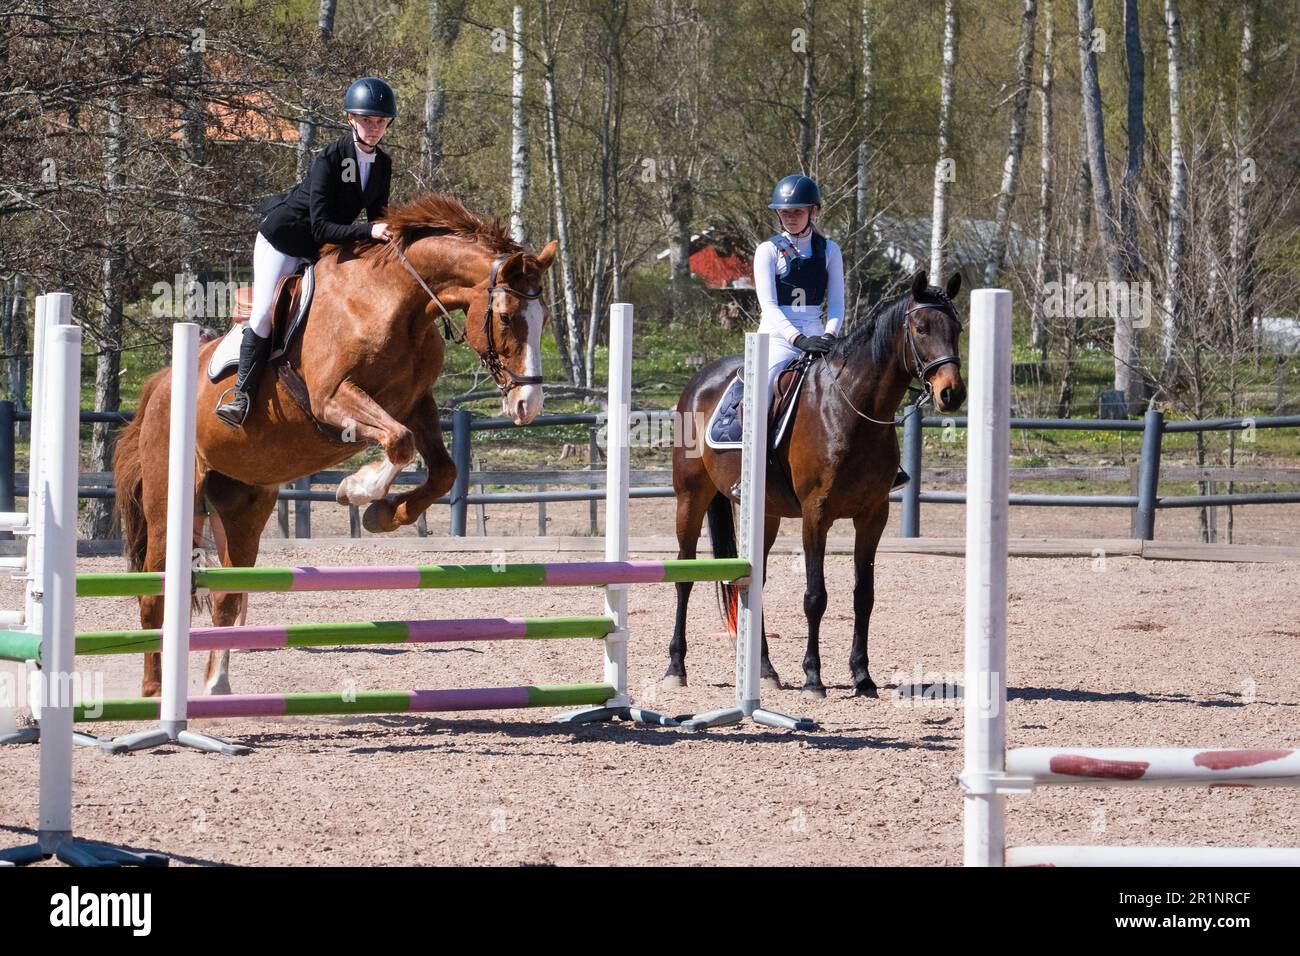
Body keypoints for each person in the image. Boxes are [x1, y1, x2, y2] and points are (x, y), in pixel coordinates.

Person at [215, 76, 397, 427]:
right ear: (350, 119)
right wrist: (369, 231)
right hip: (284, 240)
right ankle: (240, 396)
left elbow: (379, 217)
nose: (373, 128)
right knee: (266, 312)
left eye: (380, 121)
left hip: (320, 249)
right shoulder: (329, 159)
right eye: (366, 120)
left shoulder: (382, 164)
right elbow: (321, 226)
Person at [752, 173, 844, 402]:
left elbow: (836, 303)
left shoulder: (830, 250)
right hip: (777, 339)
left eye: (798, 212)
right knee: (760, 396)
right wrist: (798, 340)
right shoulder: (767, 250)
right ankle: (752, 437)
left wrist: (830, 335)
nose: (790, 218)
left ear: (814, 211)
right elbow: (769, 305)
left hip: (818, 337)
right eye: (784, 212)